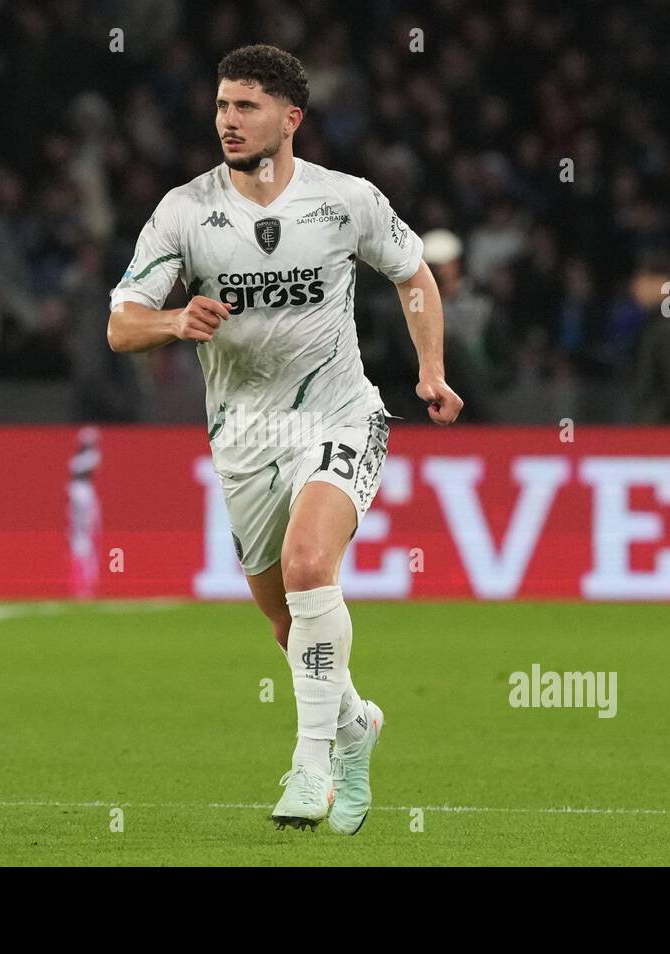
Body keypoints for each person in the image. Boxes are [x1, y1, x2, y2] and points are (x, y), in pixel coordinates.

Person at [106, 44, 461, 833]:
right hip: (243, 437)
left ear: (290, 117)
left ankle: (311, 765)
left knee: (308, 564)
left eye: (247, 106)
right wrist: (174, 319)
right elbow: (121, 325)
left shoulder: (346, 201)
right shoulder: (185, 211)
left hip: (339, 417)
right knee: (285, 622)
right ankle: (355, 723)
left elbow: (413, 274)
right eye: (222, 106)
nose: (228, 121)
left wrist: (431, 370)